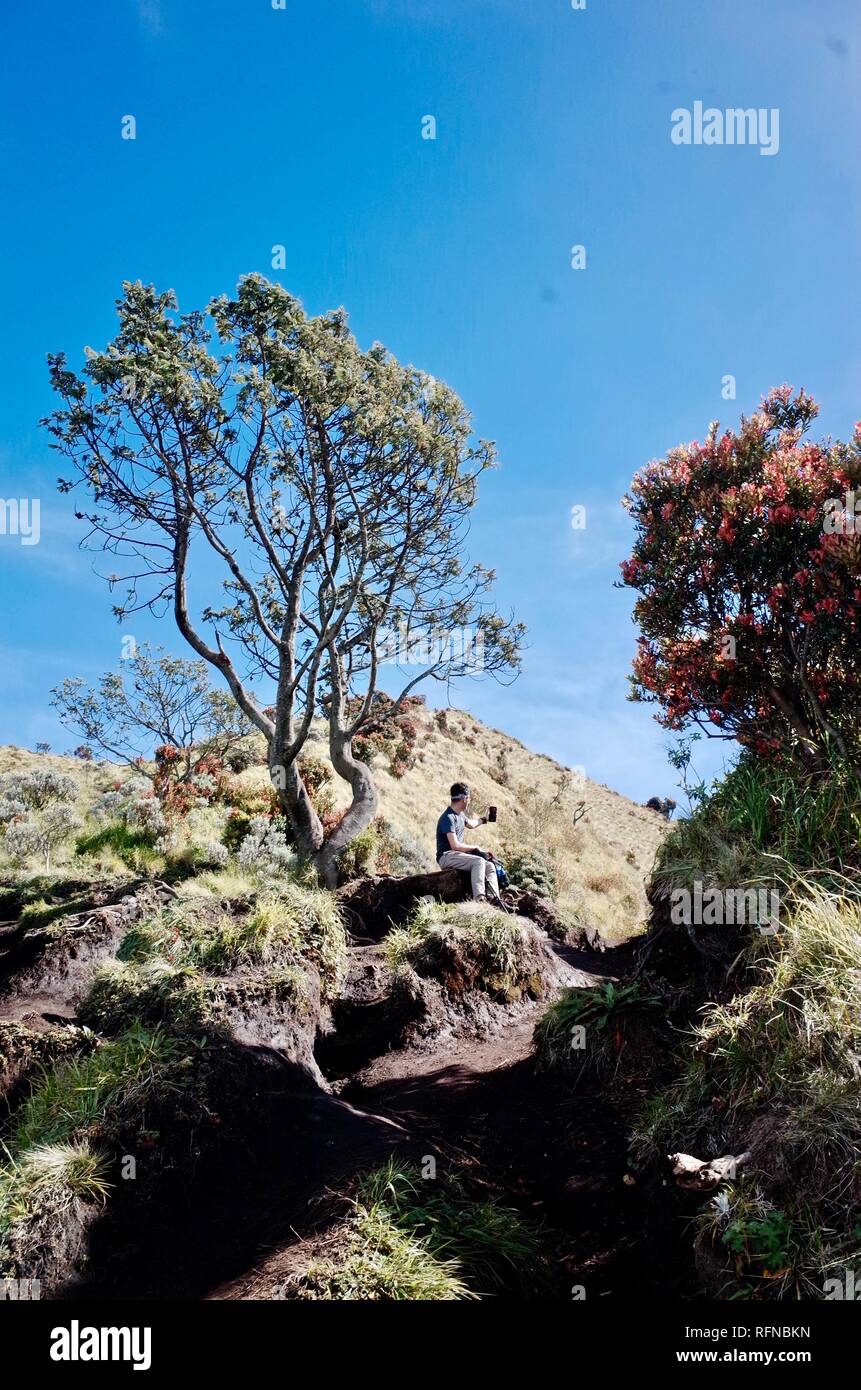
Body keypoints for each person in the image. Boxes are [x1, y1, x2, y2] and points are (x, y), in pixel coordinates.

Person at [436, 782, 505, 907]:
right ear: (464, 798)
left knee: (489, 866)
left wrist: (484, 819)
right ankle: (479, 900)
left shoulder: (460, 815)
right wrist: (475, 848)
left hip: (456, 855)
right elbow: (454, 845)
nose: (469, 801)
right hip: (446, 856)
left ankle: (494, 900)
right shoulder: (448, 817)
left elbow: (471, 824)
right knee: (478, 862)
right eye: (469, 798)